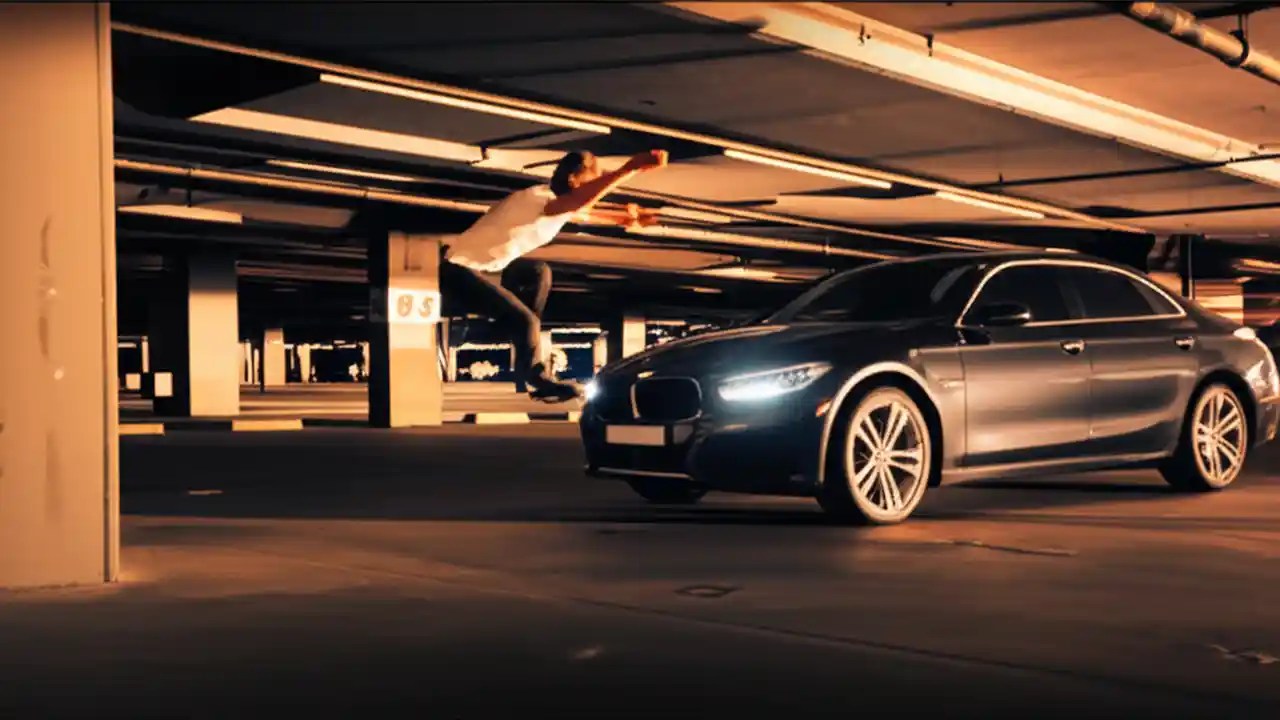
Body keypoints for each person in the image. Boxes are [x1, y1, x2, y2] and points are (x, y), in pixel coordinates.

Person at [441, 149, 668, 400]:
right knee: (527, 322)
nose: (592, 192)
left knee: (538, 272)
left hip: (488, 269)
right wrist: (630, 168)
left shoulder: (546, 197)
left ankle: (518, 330)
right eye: (591, 183)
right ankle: (537, 377)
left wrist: (625, 218)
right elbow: (580, 202)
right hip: (458, 272)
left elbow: (586, 211)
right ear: (573, 182)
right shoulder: (541, 201)